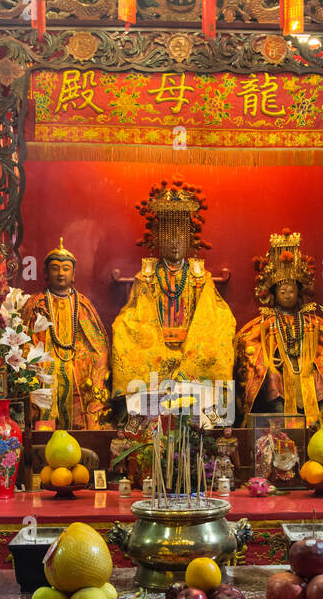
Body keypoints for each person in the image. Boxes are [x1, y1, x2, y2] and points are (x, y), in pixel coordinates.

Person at [111, 181, 236, 408]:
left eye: (180, 238)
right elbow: (132, 321)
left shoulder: (200, 277)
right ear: (158, 240)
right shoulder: (147, 277)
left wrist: (189, 356)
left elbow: (215, 320)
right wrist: (159, 352)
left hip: (192, 351)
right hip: (155, 353)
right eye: (169, 238)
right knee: (121, 330)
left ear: (189, 240)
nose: (175, 244)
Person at [235, 229, 323, 425]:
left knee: (318, 383)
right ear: (274, 294)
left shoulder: (311, 322)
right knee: (273, 383)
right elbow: (250, 344)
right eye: (282, 291)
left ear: (299, 293)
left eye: (291, 290)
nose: (287, 295)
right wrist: (268, 366)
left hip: (307, 372)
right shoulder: (267, 323)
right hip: (281, 375)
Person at [23, 238, 111, 429]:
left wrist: (90, 364)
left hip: (77, 366)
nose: (60, 273)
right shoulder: (36, 304)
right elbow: (27, 343)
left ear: (73, 274)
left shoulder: (83, 305)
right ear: (46, 273)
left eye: (65, 268)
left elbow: (98, 346)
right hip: (46, 367)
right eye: (55, 268)